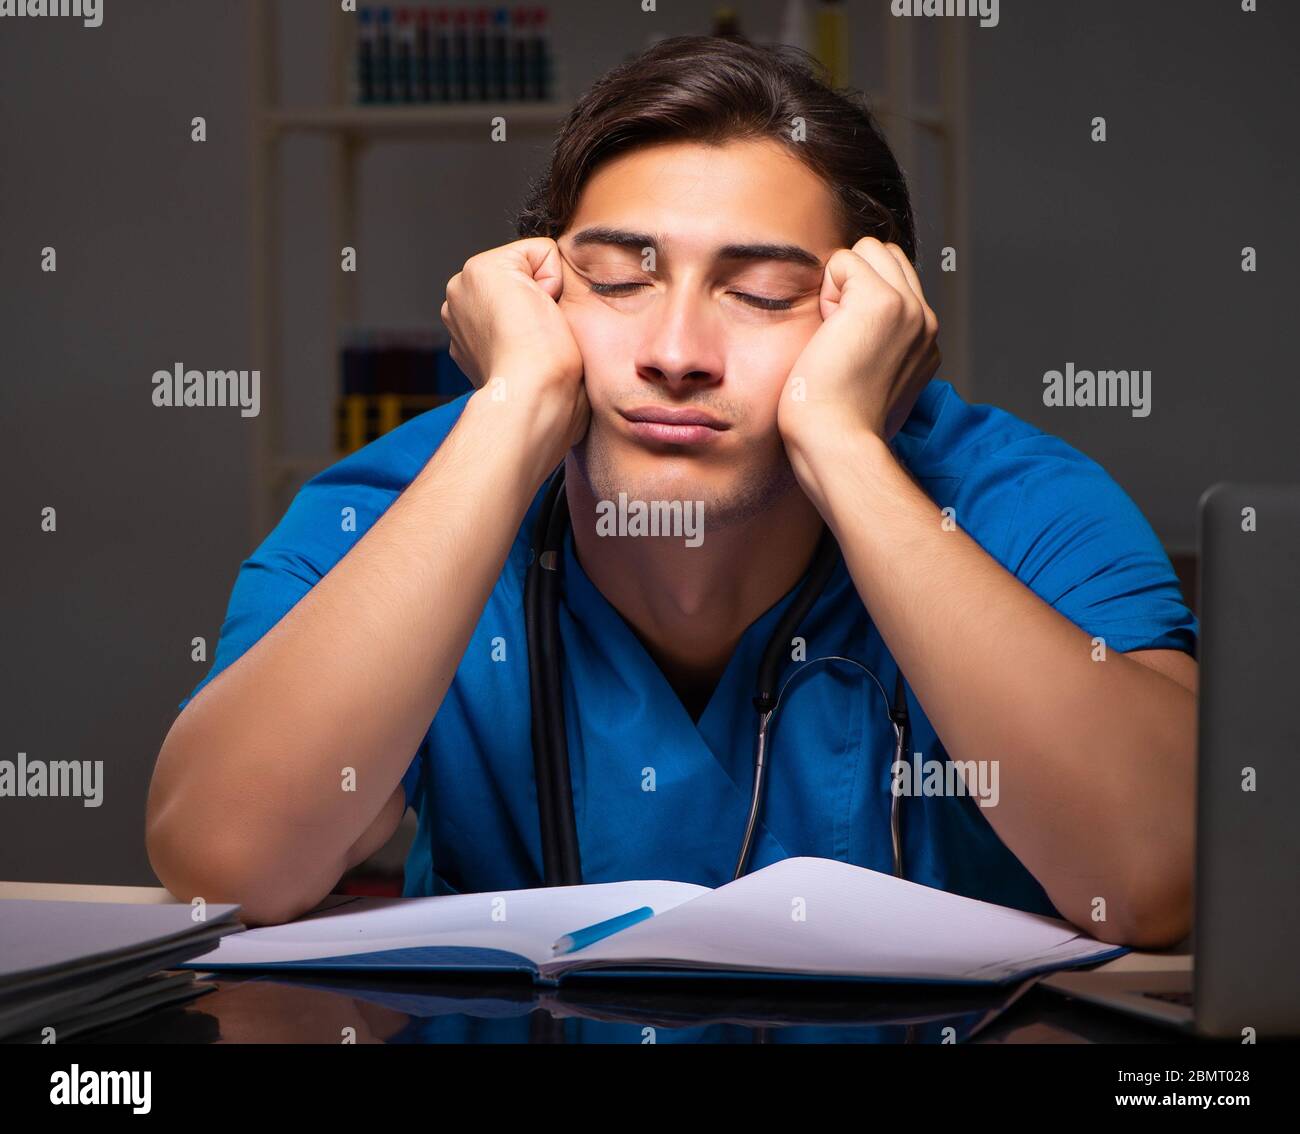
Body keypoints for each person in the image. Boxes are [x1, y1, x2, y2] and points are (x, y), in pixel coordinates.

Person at [146, 35, 1197, 946]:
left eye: (762, 294)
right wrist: (512, 408)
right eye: (617, 280)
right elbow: (225, 863)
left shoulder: (1015, 504)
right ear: (537, 289)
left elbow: (1161, 878)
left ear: (871, 323)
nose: (676, 350)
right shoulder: (395, 509)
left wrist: (844, 444)